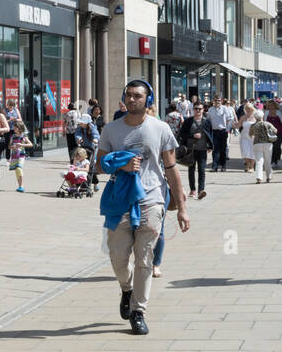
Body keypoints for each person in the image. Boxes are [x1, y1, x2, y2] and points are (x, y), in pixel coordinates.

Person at [97, 80, 190, 336]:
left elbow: (171, 169)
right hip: (120, 200)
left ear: (148, 100)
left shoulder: (159, 129)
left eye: (137, 96)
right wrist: (121, 165)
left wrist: (181, 207)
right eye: (128, 95)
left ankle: (139, 311)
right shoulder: (111, 129)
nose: (132, 99)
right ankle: (127, 289)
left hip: (152, 198)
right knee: (117, 256)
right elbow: (98, 165)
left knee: (145, 257)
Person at [178, 102, 211, 201]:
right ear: (193, 109)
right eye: (196, 109)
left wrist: (209, 146)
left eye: (200, 109)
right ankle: (192, 189)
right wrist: (192, 136)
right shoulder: (188, 121)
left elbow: (210, 134)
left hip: (202, 149)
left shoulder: (206, 122)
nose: (198, 111)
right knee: (191, 170)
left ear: (203, 110)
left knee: (202, 170)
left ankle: (201, 190)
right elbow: (182, 134)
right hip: (190, 149)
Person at [248, 109, 276, 184]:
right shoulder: (267, 124)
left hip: (257, 144)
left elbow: (250, 134)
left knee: (259, 161)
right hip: (268, 144)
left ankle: (259, 177)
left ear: (255, 117)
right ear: (262, 116)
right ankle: (269, 177)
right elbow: (275, 131)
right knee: (268, 161)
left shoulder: (253, 125)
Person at [207, 96, 233, 172]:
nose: (217, 102)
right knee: (215, 149)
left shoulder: (224, 108)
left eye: (219, 100)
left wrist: (227, 129)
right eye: (216, 100)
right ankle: (214, 166)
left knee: (223, 149)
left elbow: (229, 119)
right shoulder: (211, 109)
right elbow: (208, 120)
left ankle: (223, 166)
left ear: (221, 101)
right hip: (214, 131)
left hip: (223, 131)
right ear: (213, 101)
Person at [7, 119, 32, 192]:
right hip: (14, 156)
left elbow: (31, 144)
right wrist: (13, 146)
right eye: (14, 127)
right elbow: (9, 146)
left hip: (21, 155)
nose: (14, 128)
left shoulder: (23, 136)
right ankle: (20, 186)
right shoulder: (13, 136)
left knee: (18, 168)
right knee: (17, 171)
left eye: (15, 127)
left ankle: (21, 186)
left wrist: (21, 144)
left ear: (20, 128)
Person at [238, 100, 255, 174]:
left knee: (253, 152)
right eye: (247, 108)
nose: (248, 110)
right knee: (245, 151)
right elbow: (238, 125)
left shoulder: (256, 116)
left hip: (254, 136)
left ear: (252, 109)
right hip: (244, 136)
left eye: (249, 108)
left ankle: (251, 166)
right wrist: (231, 124)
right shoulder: (243, 117)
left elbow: (261, 124)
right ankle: (247, 164)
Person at [267, 101, 282, 172]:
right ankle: (272, 161)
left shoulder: (278, 112)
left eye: (272, 105)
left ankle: (276, 159)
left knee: (277, 146)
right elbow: (264, 122)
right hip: (269, 132)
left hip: (279, 132)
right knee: (270, 147)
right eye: (270, 105)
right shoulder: (266, 112)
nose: (271, 106)